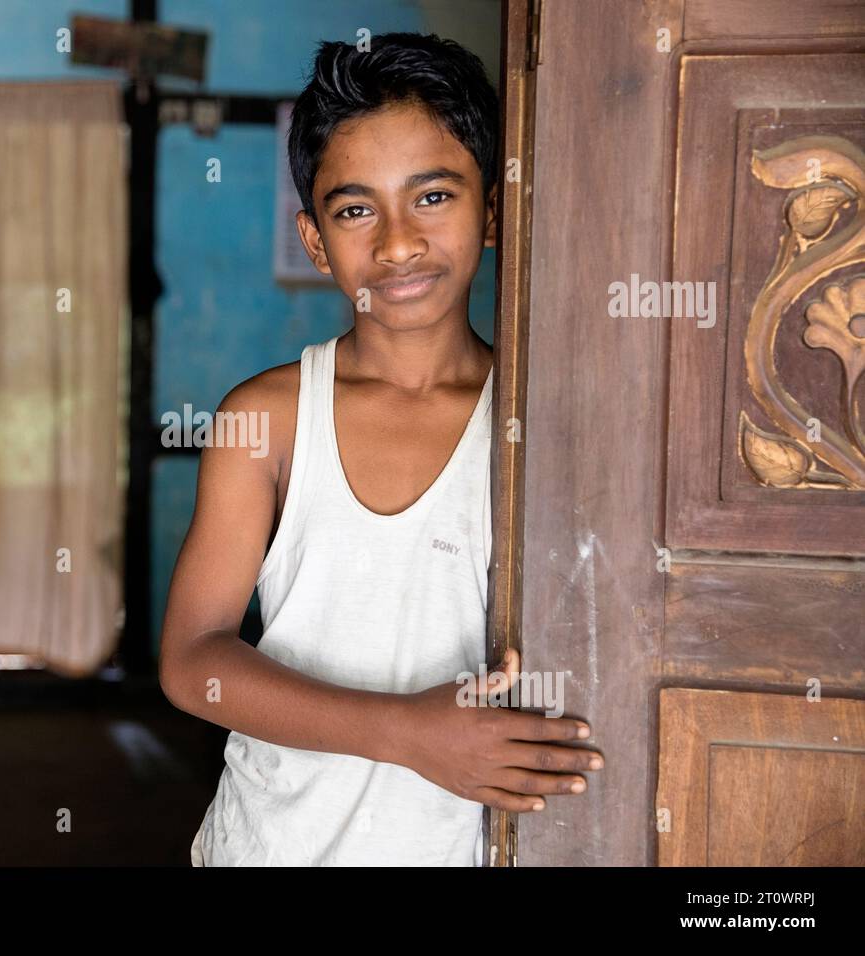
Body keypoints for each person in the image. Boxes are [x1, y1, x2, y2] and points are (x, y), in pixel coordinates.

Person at [158, 32, 602, 866]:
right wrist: (406, 732)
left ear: (494, 209)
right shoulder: (268, 419)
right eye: (356, 209)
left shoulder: (543, 426)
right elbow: (191, 661)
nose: (396, 244)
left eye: (432, 197)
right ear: (317, 240)